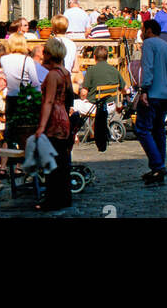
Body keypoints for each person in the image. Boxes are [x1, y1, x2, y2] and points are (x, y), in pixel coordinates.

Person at [32, 37, 73, 212]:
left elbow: (48, 102)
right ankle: (64, 197)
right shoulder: (65, 72)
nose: (43, 55)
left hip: (54, 119)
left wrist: (41, 127)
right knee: (62, 160)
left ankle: (52, 199)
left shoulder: (53, 75)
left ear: (51, 54)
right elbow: (69, 97)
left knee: (52, 161)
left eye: (46, 52)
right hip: (63, 116)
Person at [135, 19, 167, 185]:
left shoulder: (149, 44)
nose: (141, 33)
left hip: (153, 93)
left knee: (142, 129)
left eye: (142, 29)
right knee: (159, 130)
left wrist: (144, 89)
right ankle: (159, 166)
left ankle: (157, 165)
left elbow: (148, 67)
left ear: (149, 30)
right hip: (166, 94)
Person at [75, 45, 123, 119]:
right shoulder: (115, 70)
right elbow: (125, 88)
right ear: (107, 57)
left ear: (94, 57)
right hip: (111, 107)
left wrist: (80, 95)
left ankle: (70, 128)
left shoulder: (91, 70)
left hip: (95, 108)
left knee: (73, 104)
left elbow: (84, 93)